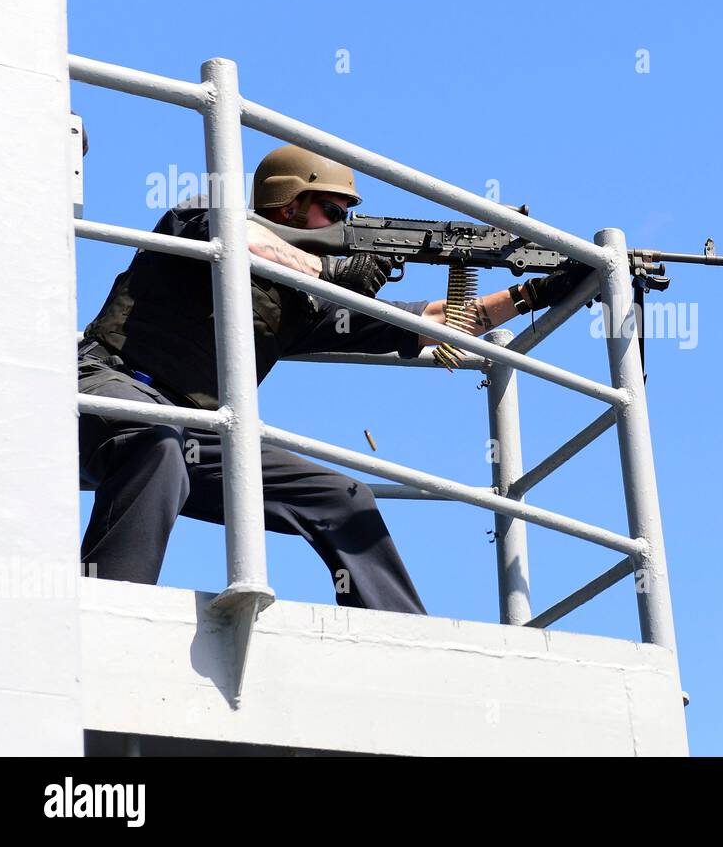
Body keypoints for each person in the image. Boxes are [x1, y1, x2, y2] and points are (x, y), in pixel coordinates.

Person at [77, 144, 588, 613]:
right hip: (112, 388)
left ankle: (401, 642)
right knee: (157, 443)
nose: (343, 222)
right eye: (332, 212)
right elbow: (239, 240)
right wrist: (333, 273)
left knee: (344, 500)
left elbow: (434, 322)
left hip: (200, 434)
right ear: (288, 204)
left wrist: (532, 295)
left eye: (348, 215)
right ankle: (113, 617)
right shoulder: (199, 218)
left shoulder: (304, 304)